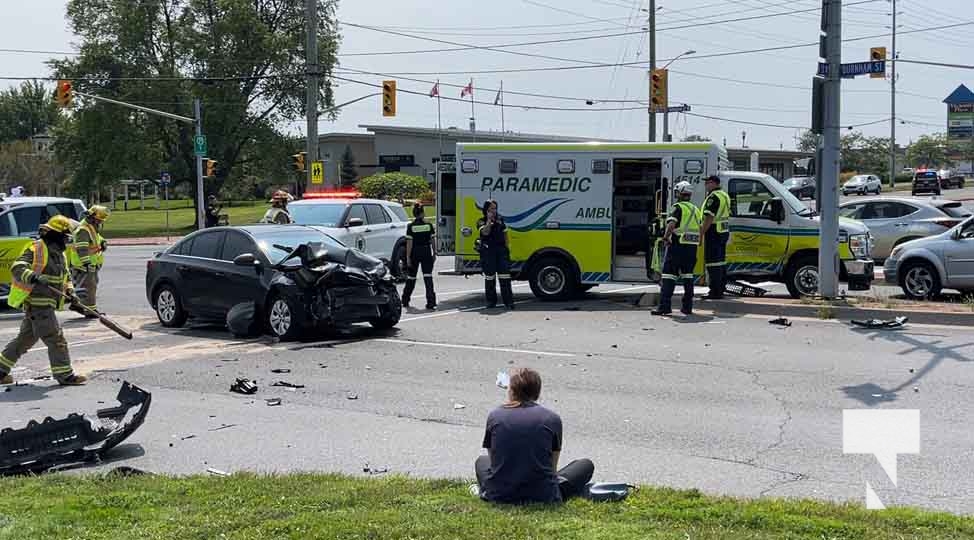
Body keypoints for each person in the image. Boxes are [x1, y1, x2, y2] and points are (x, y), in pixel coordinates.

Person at [475, 367, 594, 504]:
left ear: (512, 391)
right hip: (543, 495)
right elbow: (552, 467)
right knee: (585, 465)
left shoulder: (495, 416)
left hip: (499, 494)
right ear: (537, 392)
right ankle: (552, 489)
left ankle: (491, 489)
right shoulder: (552, 419)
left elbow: (494, 460)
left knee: (482, 461)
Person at [0, 216, 86, 386]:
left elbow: (65, 276)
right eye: (65, 236)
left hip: (44, 305)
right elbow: (17, 267)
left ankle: (0, 371)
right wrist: (33, 277)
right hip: (39, 305)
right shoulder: (36, 248)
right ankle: (65, 375)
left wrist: (71, 292)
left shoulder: (59, 253)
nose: (67, 240)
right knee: (56, 339)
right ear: (56, 235)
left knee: (23, 340)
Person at [652, 181, 703, 316]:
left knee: (669, 276)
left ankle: (664, 307)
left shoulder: (677, 207)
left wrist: (666, 237)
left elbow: (672, 224)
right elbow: (700, 228)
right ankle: (687, 307)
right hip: (691, 249)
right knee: (688, 276)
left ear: (679, 193)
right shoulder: (696, 209)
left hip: (677, 246)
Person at [70, 205, 109, 317]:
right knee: (89, 287)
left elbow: (96, 239)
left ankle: (77, 305)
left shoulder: (90, 227)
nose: (100, 222)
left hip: (89, 264)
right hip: (84, 265)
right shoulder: (83, 230)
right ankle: (91, 311)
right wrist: (86, 263)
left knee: (84, 287)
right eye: (98, 220)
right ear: (92, 217)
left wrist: (103, 242)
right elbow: (81, 248)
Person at [477, 200, 513, 309]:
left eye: (495, 208)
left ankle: (509, 302)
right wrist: (489, 222)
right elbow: (485, 232)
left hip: (501, 251)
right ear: (486, 210)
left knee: (505, 278)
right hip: (488, 252)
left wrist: (507, 248)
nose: (493, 211)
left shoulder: (500, 219)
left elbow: (505, 234)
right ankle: (491, 302)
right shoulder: (481, 221)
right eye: (491, 209)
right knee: (490, 278)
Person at [700, 175, 731, 300]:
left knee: (712, 263)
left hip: (713, 232)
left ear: (714, 183)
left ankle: (715, 291)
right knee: (720, 262)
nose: (706, 185)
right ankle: (720, 288)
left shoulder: (714, 197)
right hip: (722, 232)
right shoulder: (724, 195)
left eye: (708, 182)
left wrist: (701, 232)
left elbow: (709, 217)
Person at [402, 203, 437, 310]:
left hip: (415, 252)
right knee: (428, 277)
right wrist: (434, 253)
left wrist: (408, 257)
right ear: (422, 213)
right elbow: (432, 240)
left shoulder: (411, 226)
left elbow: (409, 243)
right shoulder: (429, 225)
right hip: (426, 251)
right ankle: (431, 302)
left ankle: (405, 300)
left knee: (411, 277)